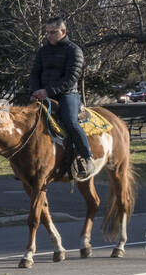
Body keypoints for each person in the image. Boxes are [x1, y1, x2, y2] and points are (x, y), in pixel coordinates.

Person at [30, 16, 96, 181]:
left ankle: (87, 157)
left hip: (67, 94)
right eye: (47, 33)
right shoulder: (42, 51)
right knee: (26, 120)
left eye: (53, 32)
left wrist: (48, 91)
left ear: (63, 31)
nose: (49, 36)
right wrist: (35, 90)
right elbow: (35, 73)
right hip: (43, 93)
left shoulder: (74, 50)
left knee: (70, 121)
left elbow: (72, 77)